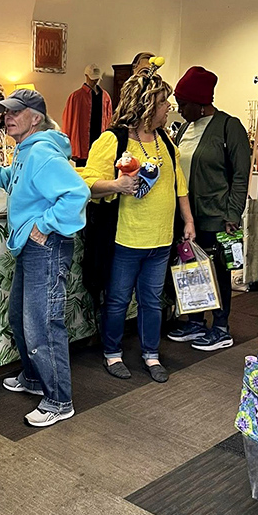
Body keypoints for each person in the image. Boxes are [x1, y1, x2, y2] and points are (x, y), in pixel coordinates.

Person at [0, 89, 90, 427]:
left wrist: (44, 224)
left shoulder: (42, 151)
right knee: (19, 317)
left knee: (41, 323)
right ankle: (32, 378)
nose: (7, 118)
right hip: (30, 248)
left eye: (15, 112)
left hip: (47, 247)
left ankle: (59, 400)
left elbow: (77, 192)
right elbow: (20, 177)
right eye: (5, 113)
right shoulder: (27, 150)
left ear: (35, 118)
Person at [82, 71, 195, 383]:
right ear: (147, 105)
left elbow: (178, 184)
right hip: (126, 239)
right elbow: (88, 183)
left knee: (151, 300)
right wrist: (117, 184)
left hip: (161, 239)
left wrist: (188, 220)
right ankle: (112, 352)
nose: (169, 106)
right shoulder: (113, 140)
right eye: (164, 102)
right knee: (117, 300)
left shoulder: (165, 142)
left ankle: (151, 353)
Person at [168, 66, 250, 351]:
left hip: (217, 216)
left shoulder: (229, 127)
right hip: (188, 216)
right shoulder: (185, 129)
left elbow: (241, 175)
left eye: (183, 104)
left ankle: (221, 326)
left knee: (217, 271)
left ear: (200, 103)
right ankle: (194, 320)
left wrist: (233, 214)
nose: (179, 110)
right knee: (191, 269)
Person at [62, 63, 113, 166]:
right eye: (92, 78)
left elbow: (109, 119)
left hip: (100, 140)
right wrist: (68, 144)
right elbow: (68, 121)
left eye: (97, 79)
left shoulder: (105, 96)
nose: (95, 81)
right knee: (82, 171)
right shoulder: (76, 97)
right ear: (86, 76)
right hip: (82, 142)